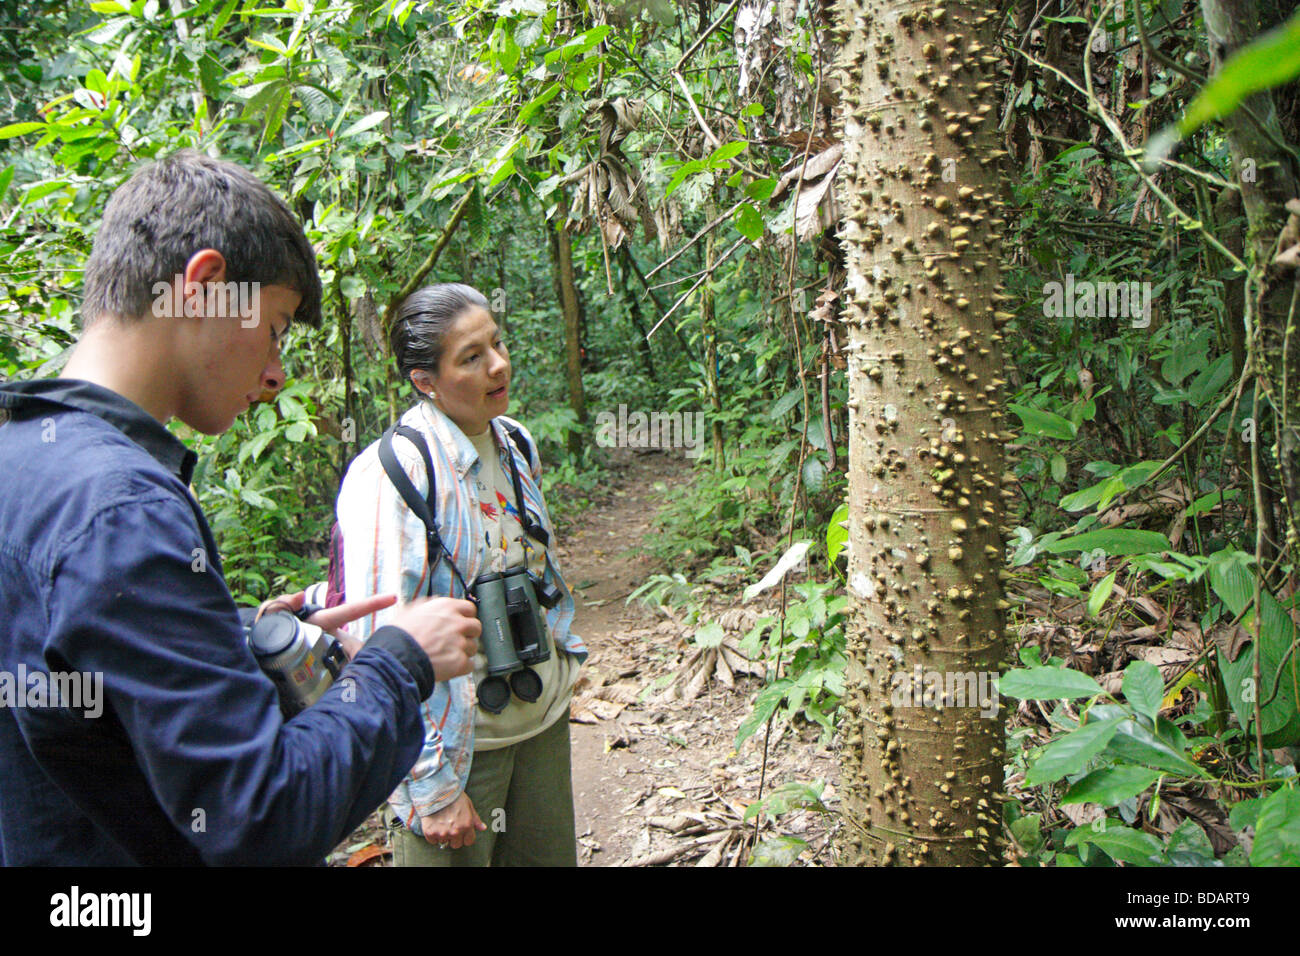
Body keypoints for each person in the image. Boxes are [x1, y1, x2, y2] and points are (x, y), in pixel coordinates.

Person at [0, 150, 480, 866]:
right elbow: (259, 819)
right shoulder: (122, 509)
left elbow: (72, 699)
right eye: (277, 328)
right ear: (205, 287)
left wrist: (233, 645)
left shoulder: (23, 456)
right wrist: (399, 661)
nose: (275, 373)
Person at [337, 283, 585, 866]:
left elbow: (537, 564)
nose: (498, 364)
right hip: (456, 747)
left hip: (540, 719)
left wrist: (566, 656)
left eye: (496, 344)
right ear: (426, 380)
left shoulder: (516, 441)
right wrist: (430, 786)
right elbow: (378, 644)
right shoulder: (392, 473)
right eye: (471, 357)